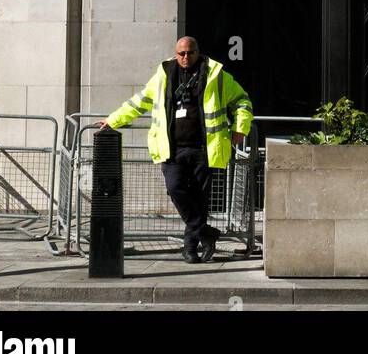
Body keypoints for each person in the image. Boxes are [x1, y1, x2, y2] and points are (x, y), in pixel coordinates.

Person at [97, 36, 252, 264]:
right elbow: (139, 101)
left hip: (205, 149)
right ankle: (206, 233)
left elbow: (242, 100)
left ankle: (190, 248)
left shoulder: (216, 75)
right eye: (181, 54)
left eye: (190, 53)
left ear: (198, 52)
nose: (185, 58)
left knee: (199, 200)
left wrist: (241, 128)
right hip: (173, 149)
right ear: (175, 53)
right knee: (175, 188)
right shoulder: (164, 74)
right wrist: (113, 120)